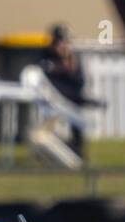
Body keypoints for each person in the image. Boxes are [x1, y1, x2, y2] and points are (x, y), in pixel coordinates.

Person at [38, 25, 101, 158]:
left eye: (67, 42)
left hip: (72, 99)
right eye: (61, 42)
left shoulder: (74, 60)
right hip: (52, 100)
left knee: (76, 110)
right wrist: (64, 69)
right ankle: (52, 148)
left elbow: (80, 82)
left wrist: (68, 69)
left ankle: (77, 148)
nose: (64, 46)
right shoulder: (46, 58)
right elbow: (50, 80)